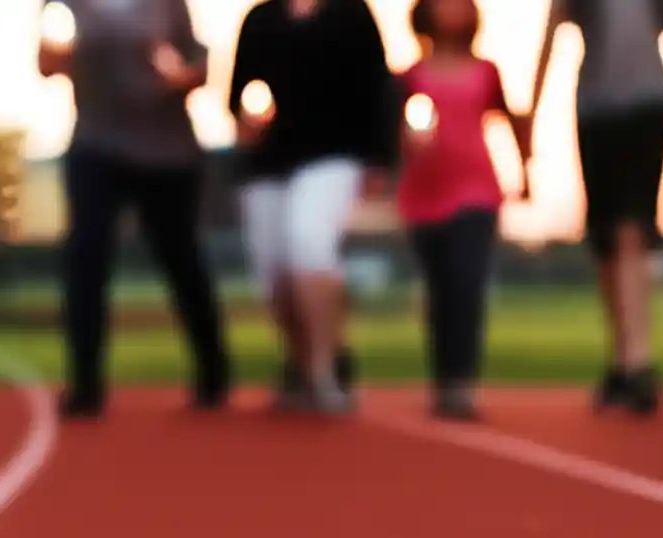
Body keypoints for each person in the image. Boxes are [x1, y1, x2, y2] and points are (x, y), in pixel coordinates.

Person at [38, 0, 230, 420]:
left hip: (165, 151)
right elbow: (47, 62)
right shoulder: (70, 5)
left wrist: (180, 76)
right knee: (86, 258)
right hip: (97, 144)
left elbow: (198, 62)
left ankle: (213, 370)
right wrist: (60, 56)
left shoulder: (166, 5)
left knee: (181, 257)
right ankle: (86, 382)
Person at [527, 0, 663, 416]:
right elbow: (552, 32)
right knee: (607, 239)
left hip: (646, 108)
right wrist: (530, 117)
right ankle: (622, 357)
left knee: (633, 230)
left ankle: (638, 363)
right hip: (595, 112)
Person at [229, 0, 397, 414]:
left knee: (309, 244)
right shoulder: (260, 20)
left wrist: (381, 158)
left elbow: (379, 87)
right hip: (270, 160)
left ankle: (326, 371)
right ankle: (301, 361)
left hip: (333, 153)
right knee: (272, 271)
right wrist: (247, 120)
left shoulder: (351, 14)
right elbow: (237, 93)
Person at [397, 0, 529, 421]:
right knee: (439, 291)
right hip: (423, 193)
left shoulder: (487, 72)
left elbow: (510, 120)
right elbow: (392, 132)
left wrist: (526, 170)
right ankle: (444, 379)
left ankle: (463, 383)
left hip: (476, 190)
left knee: (467, 283)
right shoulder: (407, 77)